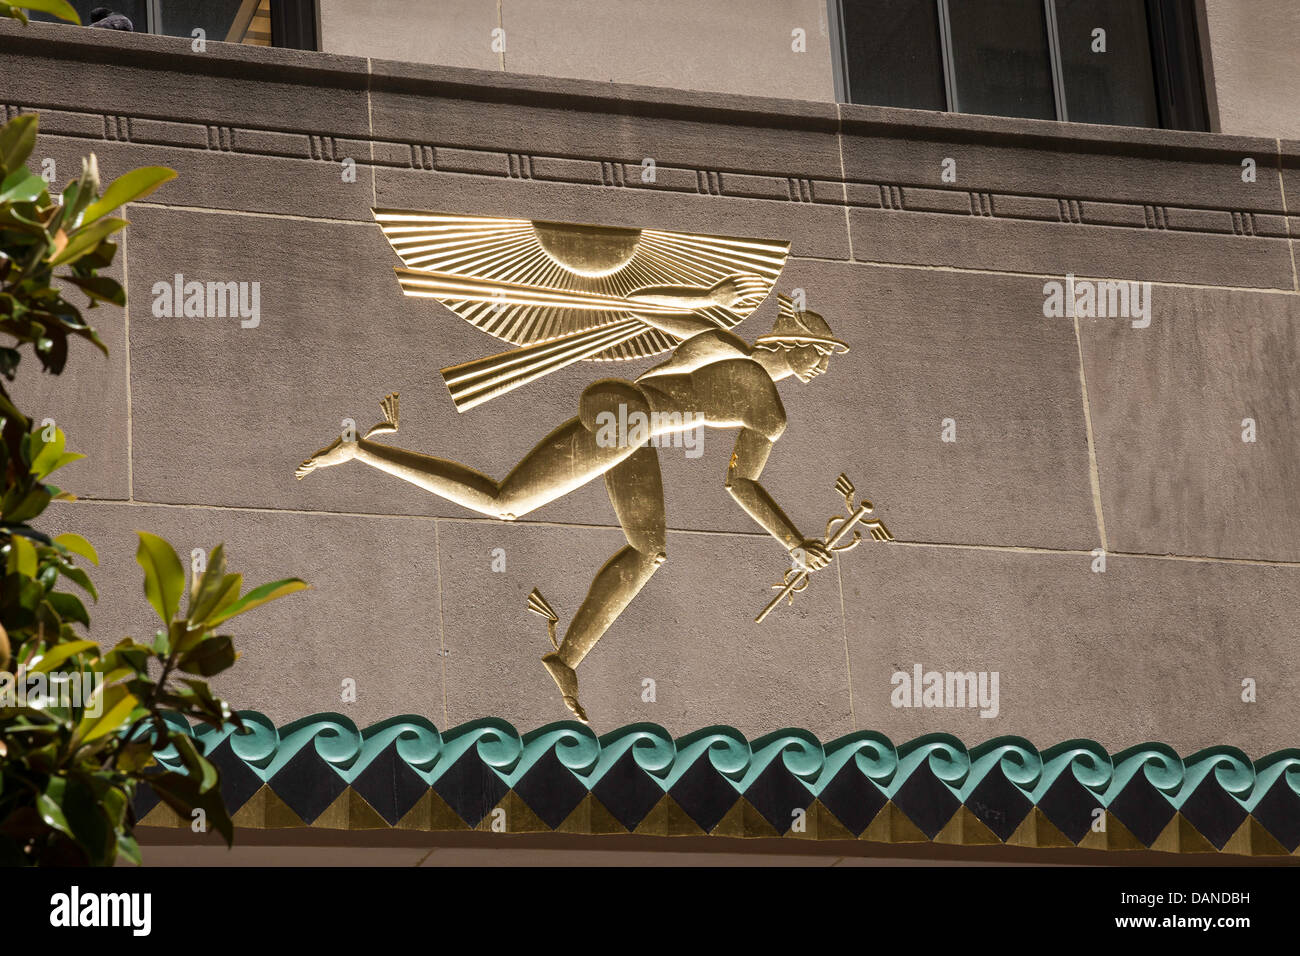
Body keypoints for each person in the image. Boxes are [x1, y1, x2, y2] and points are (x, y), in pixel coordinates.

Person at [297, 287, 849, 722]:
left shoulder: (721, 342)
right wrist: (794, 543)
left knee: (649, 550)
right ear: (791, 342)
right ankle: (362, 451)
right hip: (630, 420)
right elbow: (739, 484)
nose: (823, 365)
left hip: (628, 418)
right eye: (820, 352)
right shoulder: (767, 406)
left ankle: (564, 660)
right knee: (503, 504)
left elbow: (637, 304)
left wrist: (707, 304)